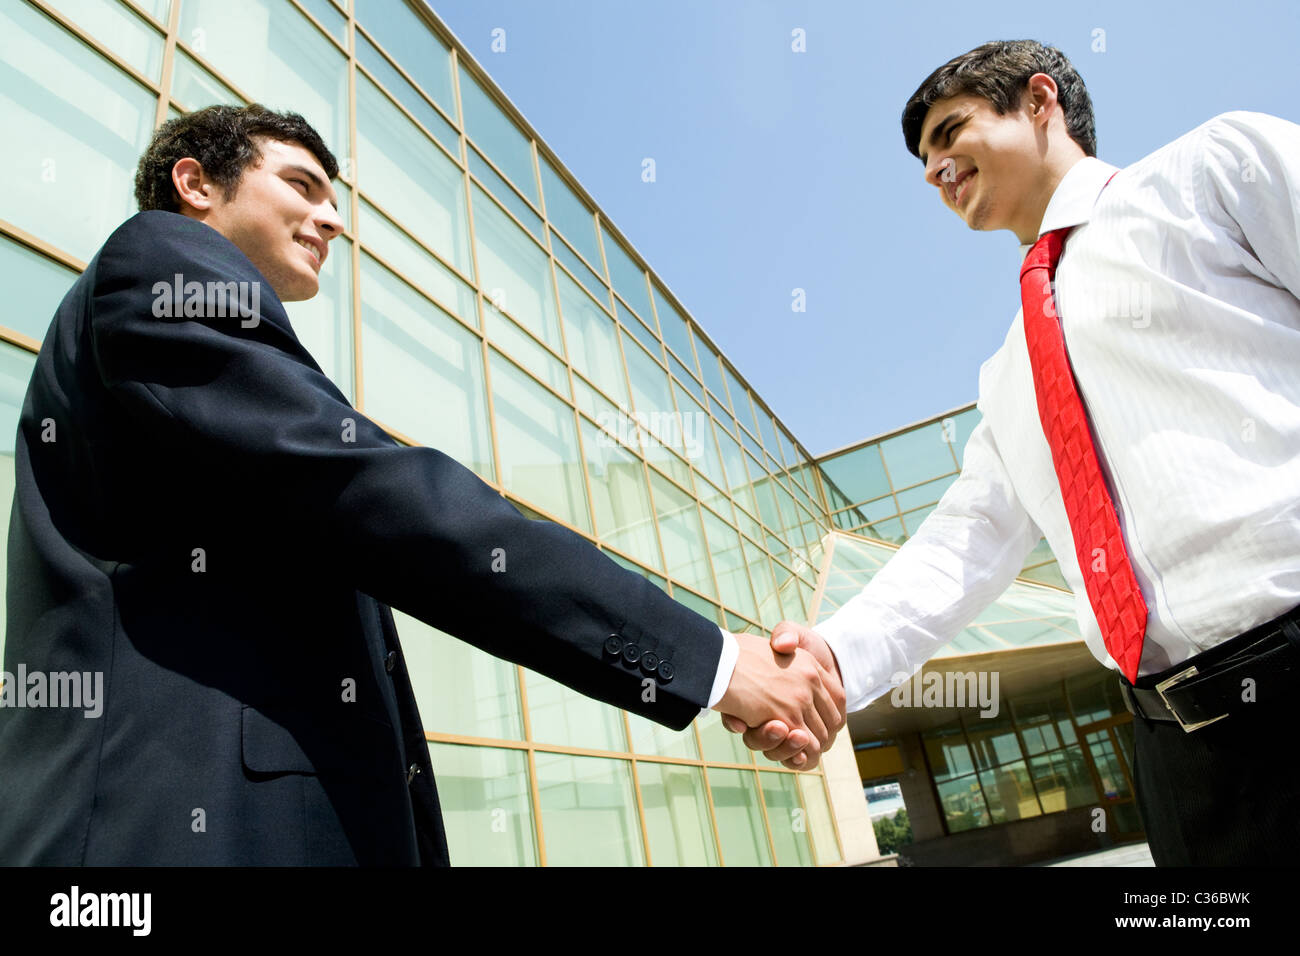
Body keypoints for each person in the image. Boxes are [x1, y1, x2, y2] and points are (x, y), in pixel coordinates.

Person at [0, 104, 845, 865]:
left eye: (336, 199)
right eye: (302, 184)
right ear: (195, 184)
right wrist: (709, 662)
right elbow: (372, 492)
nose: (333, 218)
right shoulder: (156, 261)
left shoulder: (209, 367)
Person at [725, 40, 1300, 866]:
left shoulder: (1212, 172)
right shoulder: (1008, 374)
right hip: (1182, 758)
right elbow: (966, 543)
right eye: (923, 161)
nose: (933, 170)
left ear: (1040, 102)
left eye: (949, 132)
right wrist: (834, 659)